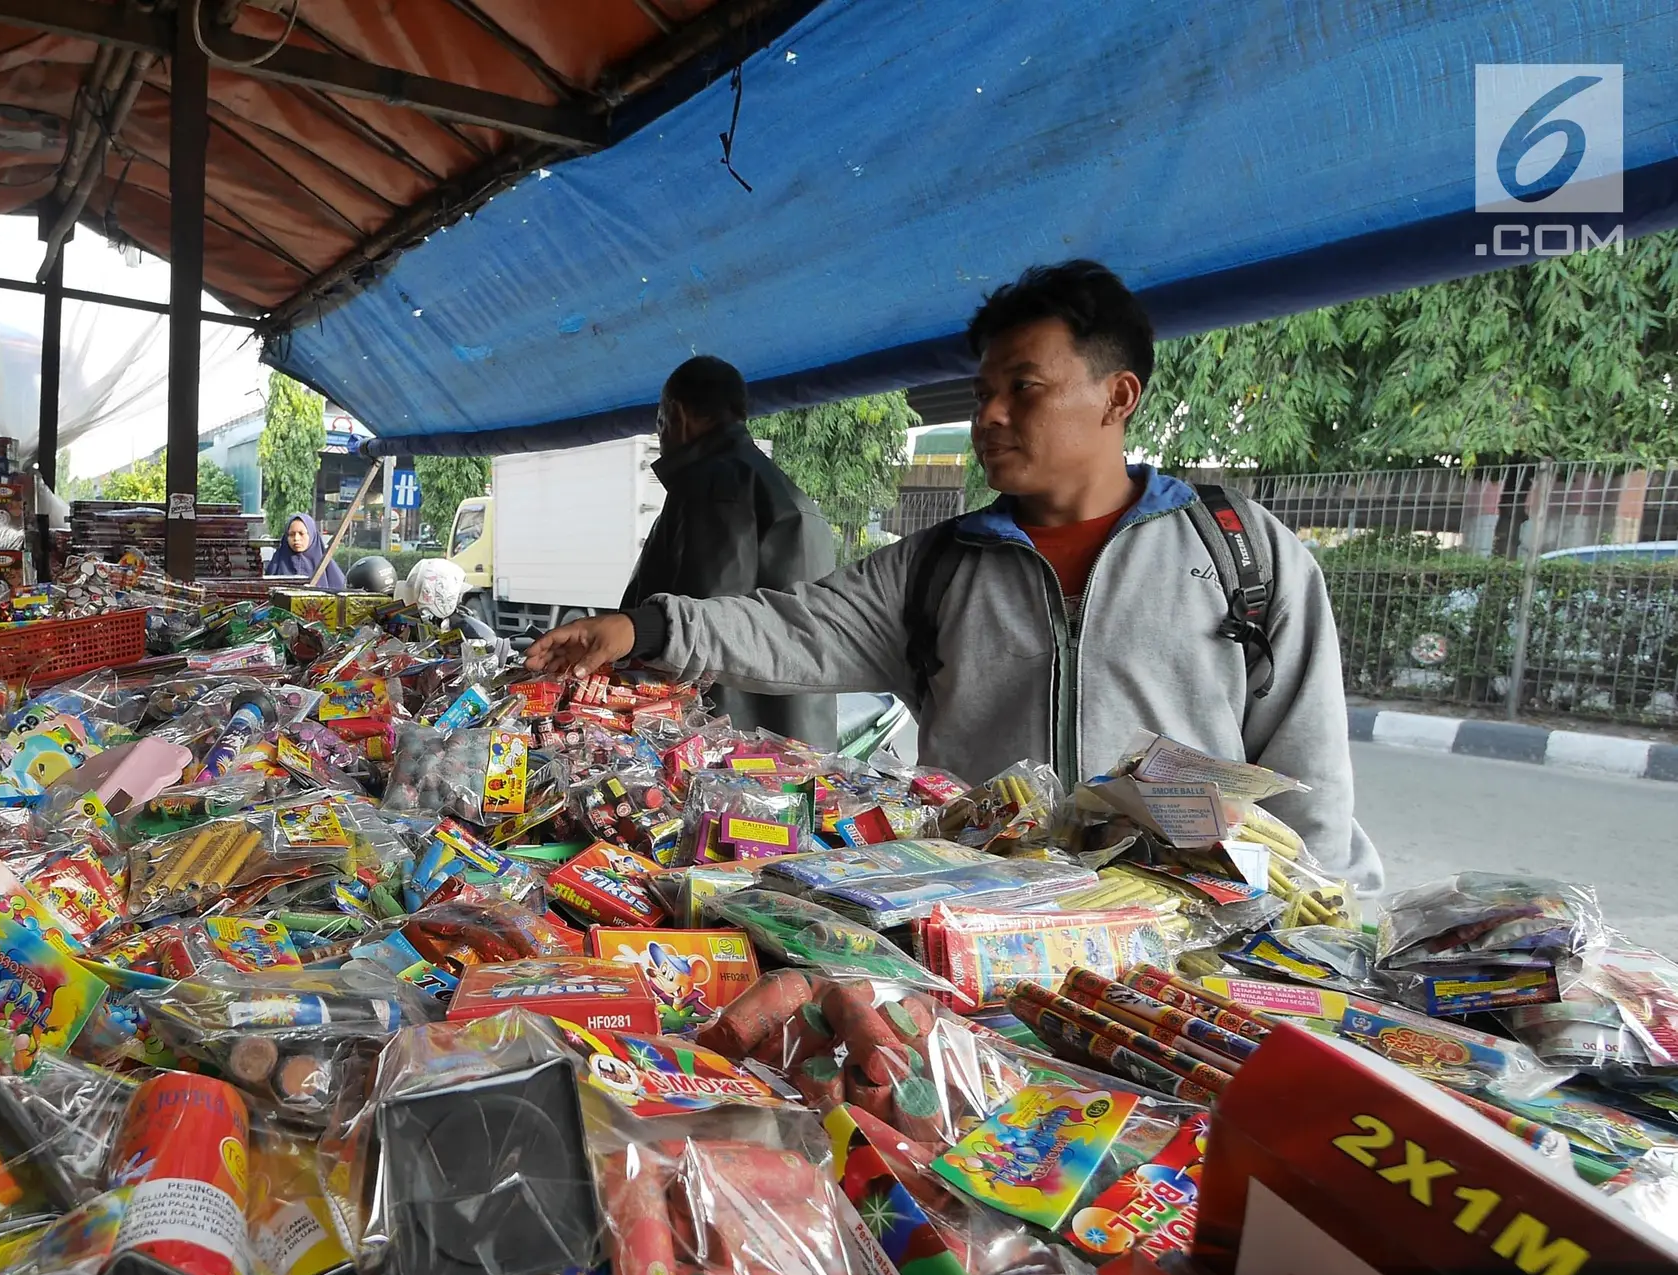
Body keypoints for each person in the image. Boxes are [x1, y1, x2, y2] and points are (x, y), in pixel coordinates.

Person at [530, 261, 1381, 889]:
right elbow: (791, 626)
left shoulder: (1243, 554)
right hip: (979, 931)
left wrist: (1316, 941)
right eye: (982, 393)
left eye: (1025, 387)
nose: (990, 416)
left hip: (1184, 938)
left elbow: (1309, 783)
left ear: (1118, 397)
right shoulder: (938, 566)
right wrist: (643, 627)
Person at [620, 355, 837, 747]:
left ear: (676, 413)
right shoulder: (787, 493)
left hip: (725, 748)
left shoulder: (712, 488)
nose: (662, 435)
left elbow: (694, 629)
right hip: (798, 739)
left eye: (660, 422)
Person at [266, 511, 346, 589]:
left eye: (301, 534)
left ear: (311, 535)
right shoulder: (276, 565)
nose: (296, 538)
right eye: (292, 534)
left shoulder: (326, 566)